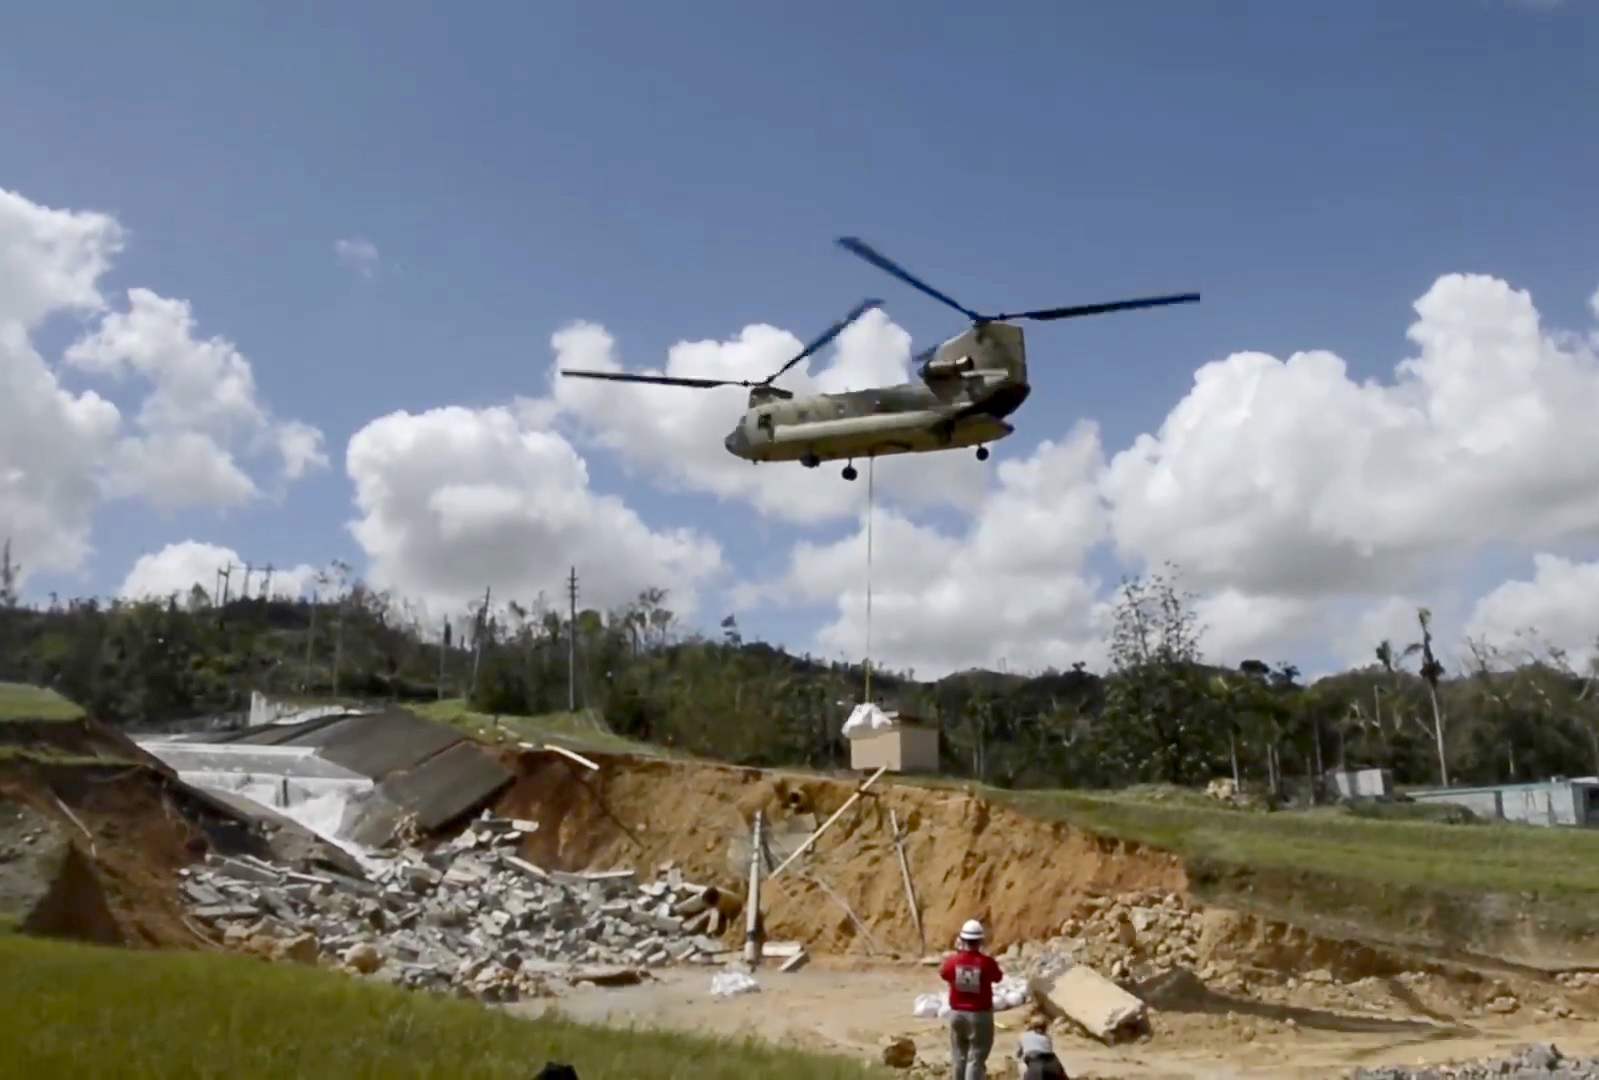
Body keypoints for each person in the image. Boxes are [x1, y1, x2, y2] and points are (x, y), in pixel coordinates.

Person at [940, 918, 1003, 1080]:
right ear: (980, 941)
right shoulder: (986, 963)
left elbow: (944, 974)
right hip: (979, 1015)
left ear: (961, 940)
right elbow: (998, 977)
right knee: (976, 1057)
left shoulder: (952, 962)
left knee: (959, 1055)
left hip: (956, 1014)